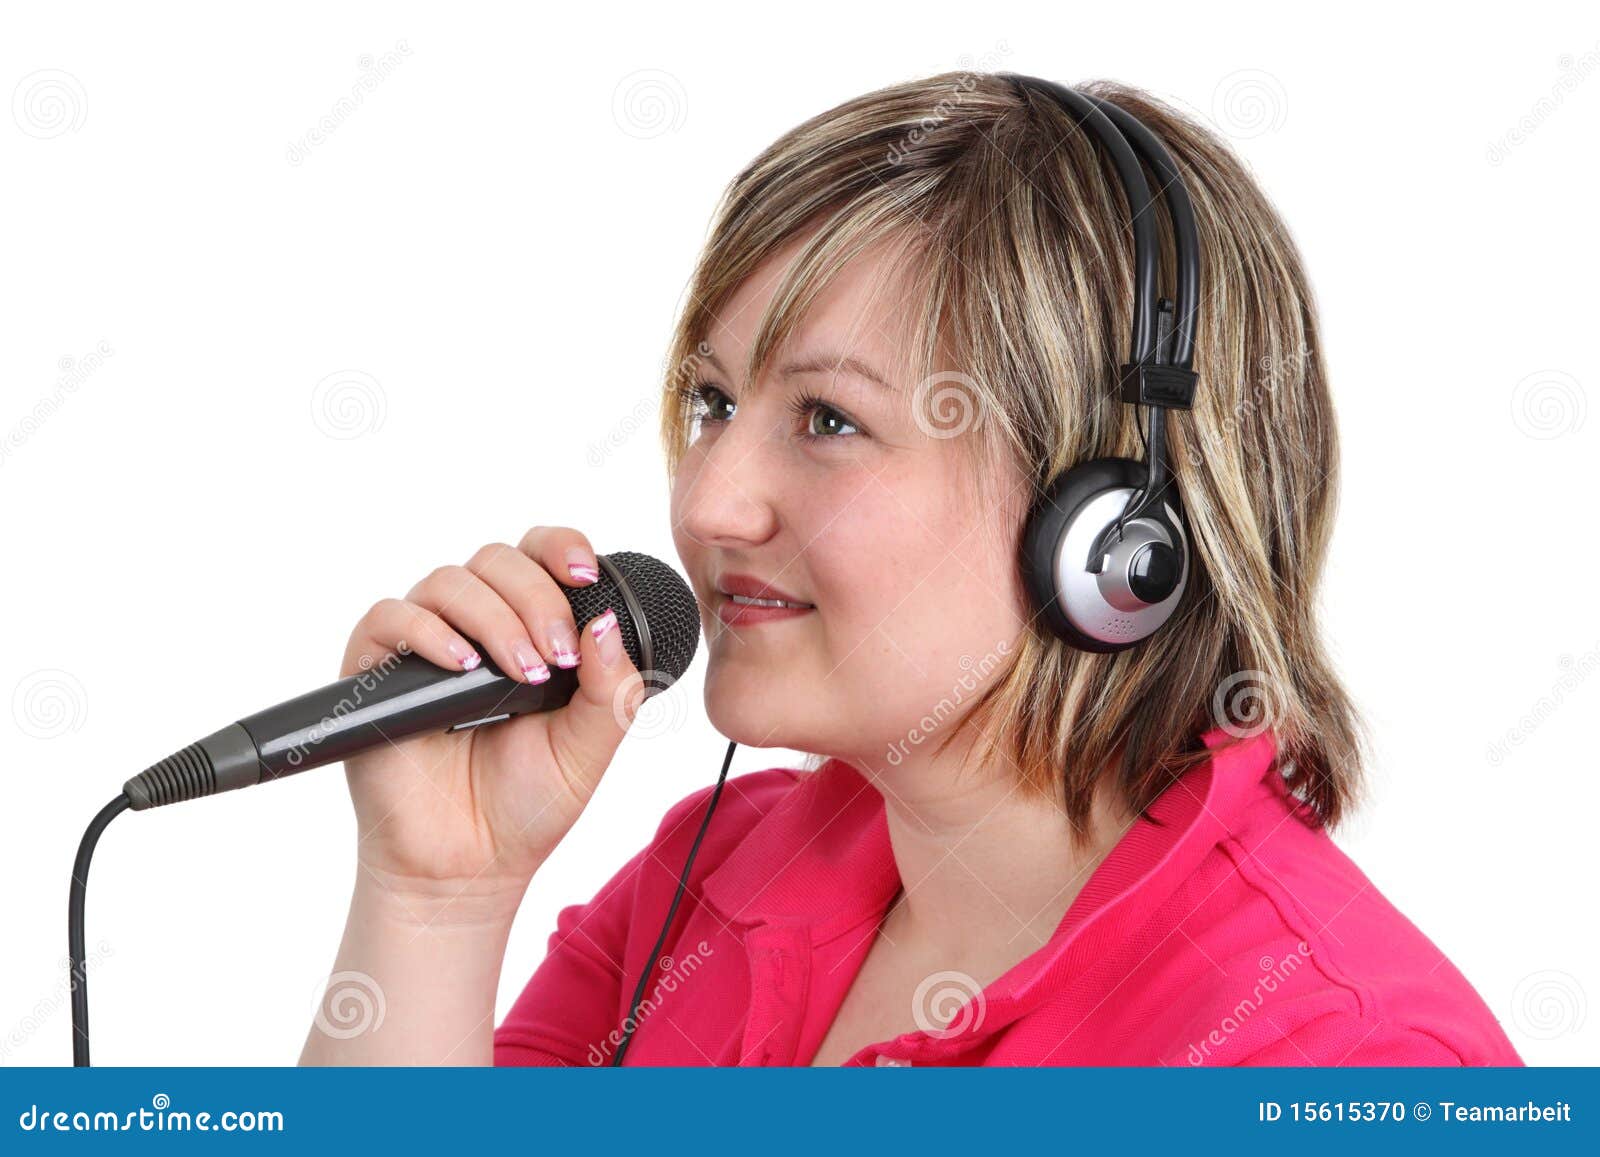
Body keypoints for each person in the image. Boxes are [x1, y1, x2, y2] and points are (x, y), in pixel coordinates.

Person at [299, 72, 1522, 1067]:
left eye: (829, 419)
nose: (707, 501)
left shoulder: (1343, 1058)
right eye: (713, 402)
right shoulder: (715, 872)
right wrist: (435, 898)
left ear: (1114, 534)